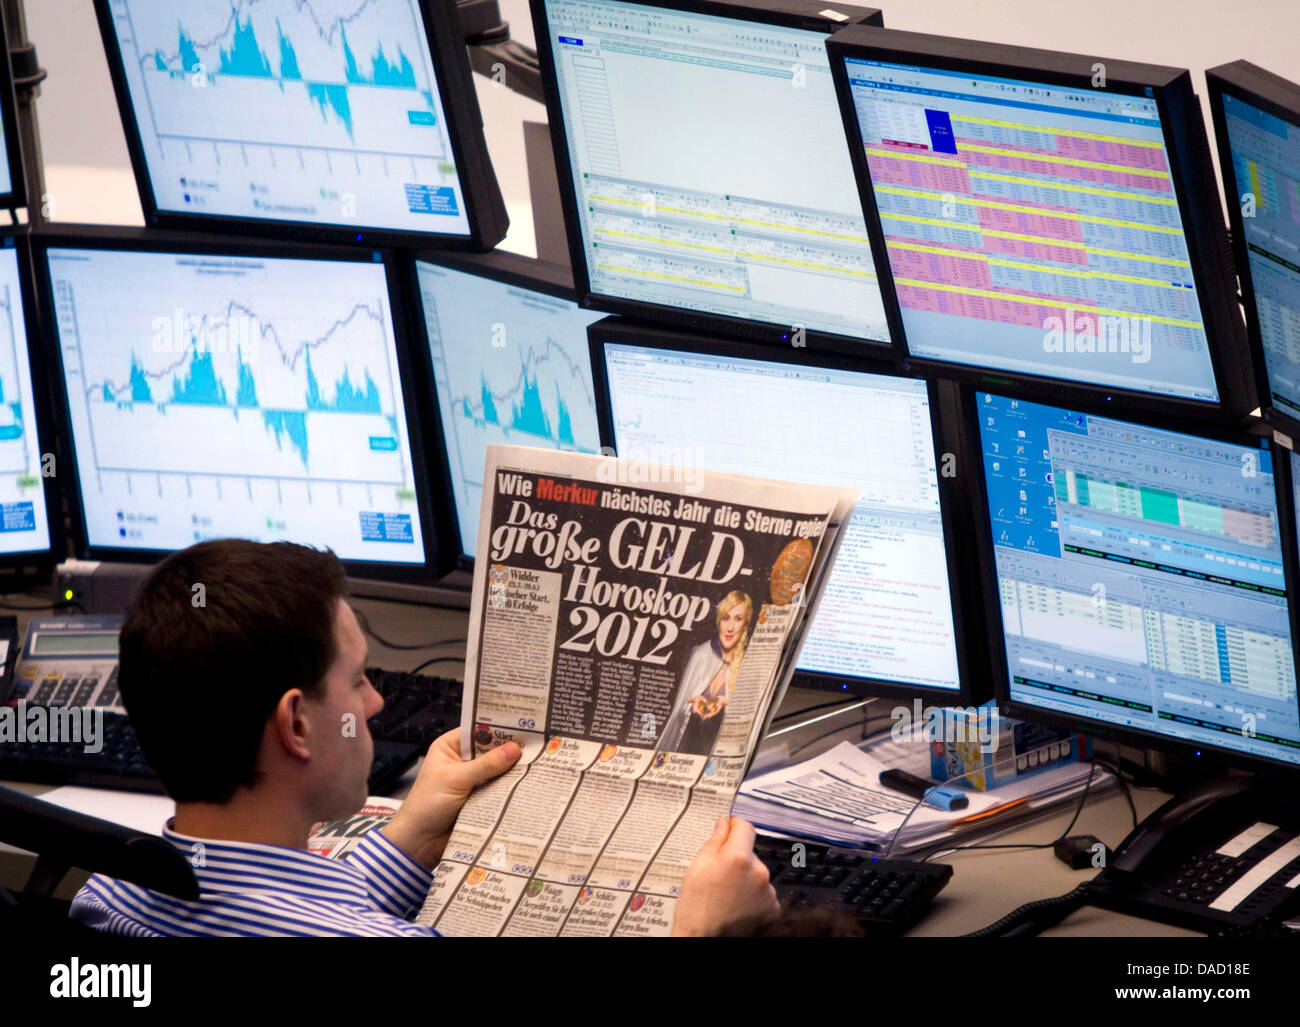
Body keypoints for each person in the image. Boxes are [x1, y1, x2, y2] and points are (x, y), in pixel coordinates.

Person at [70, 539, 777, 937]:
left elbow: (289, 903)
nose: (378, 700)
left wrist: (410, 831)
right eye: (357, 680)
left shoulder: (107, 896)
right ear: (296, 723)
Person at [656, 591, 753, 756]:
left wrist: (725, 705)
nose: (730, 627)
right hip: (687, 748)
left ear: (745, 625)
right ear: (718, 621)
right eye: (725, 618)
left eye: (738, 619)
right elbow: (677, 713)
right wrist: (692, 705)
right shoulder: (700, 654)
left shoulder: (749, 662)